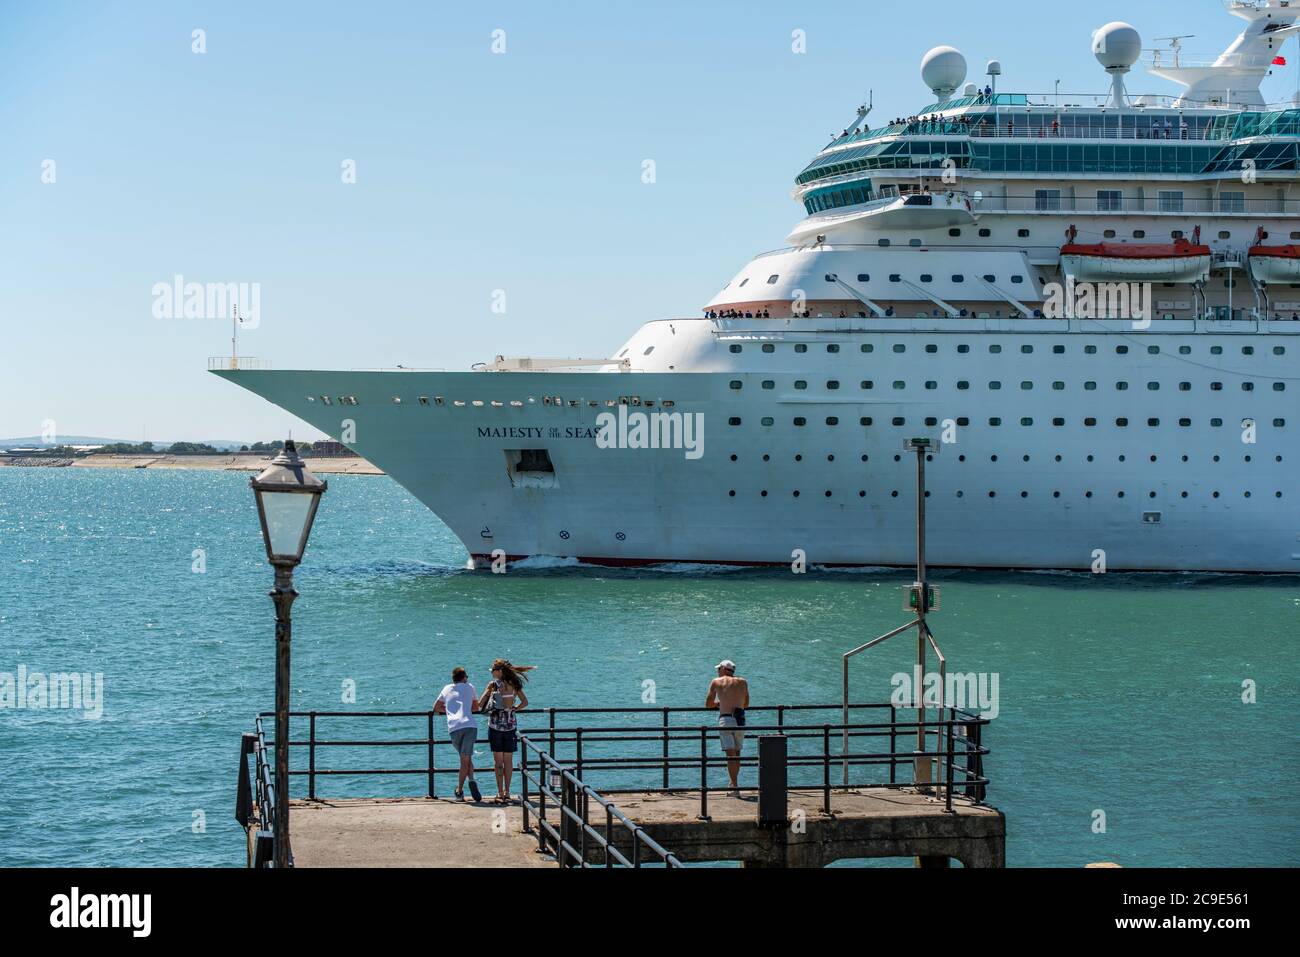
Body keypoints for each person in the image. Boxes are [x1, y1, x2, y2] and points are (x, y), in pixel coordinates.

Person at [478, 659, 533, 804]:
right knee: (508, 761)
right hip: (510, 725)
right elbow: (525, 702)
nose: (491, 673)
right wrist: (514, 709)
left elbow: (479, 704)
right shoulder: (514, 684)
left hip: (495, 726)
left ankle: (500, 792)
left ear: (499, 671)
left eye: (492, 670)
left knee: (498, 762)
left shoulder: (492, 685)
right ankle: (508, 792)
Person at [434, 667, 482, 802]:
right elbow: (475, 708)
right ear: (464, 677)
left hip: (454, 728)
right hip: (469, 726)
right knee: (465, 759)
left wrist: (449, 711)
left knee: (465, 759)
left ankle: (461, 789)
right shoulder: (470, 687)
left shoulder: (446, 688)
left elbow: (436, 707)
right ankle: (467, 784)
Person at [705, 660, 750, 795]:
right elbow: (746, 703)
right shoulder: (743, 682)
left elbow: (708, 703)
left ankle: (735, 787)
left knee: (730, 755)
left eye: (719, 669)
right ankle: (733, 783)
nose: (717, 671)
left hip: (726, 719)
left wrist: (719, 704)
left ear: (724, 669)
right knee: (737, 754)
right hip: (740, 718)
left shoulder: (717, 681)